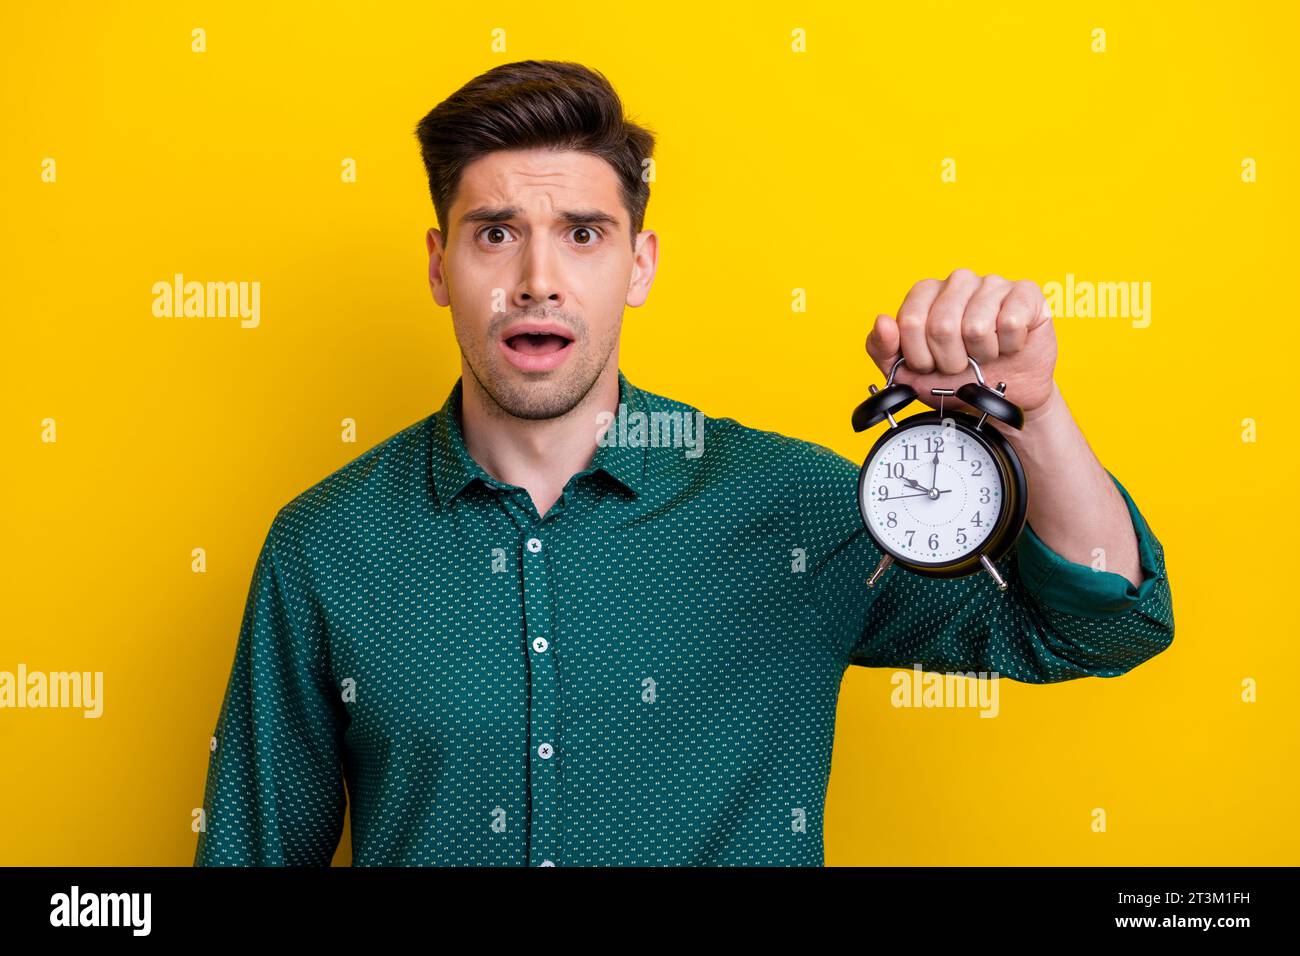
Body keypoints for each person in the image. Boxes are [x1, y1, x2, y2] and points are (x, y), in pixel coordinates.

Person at [194, 60, 1173, 867]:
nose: (537, 280)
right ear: (440, 265)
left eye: (583, 234)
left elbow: (1097, 624)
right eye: (496, 234)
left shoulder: (796, 511)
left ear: (640, 263)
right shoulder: (325, 547)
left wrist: (1030, 416)